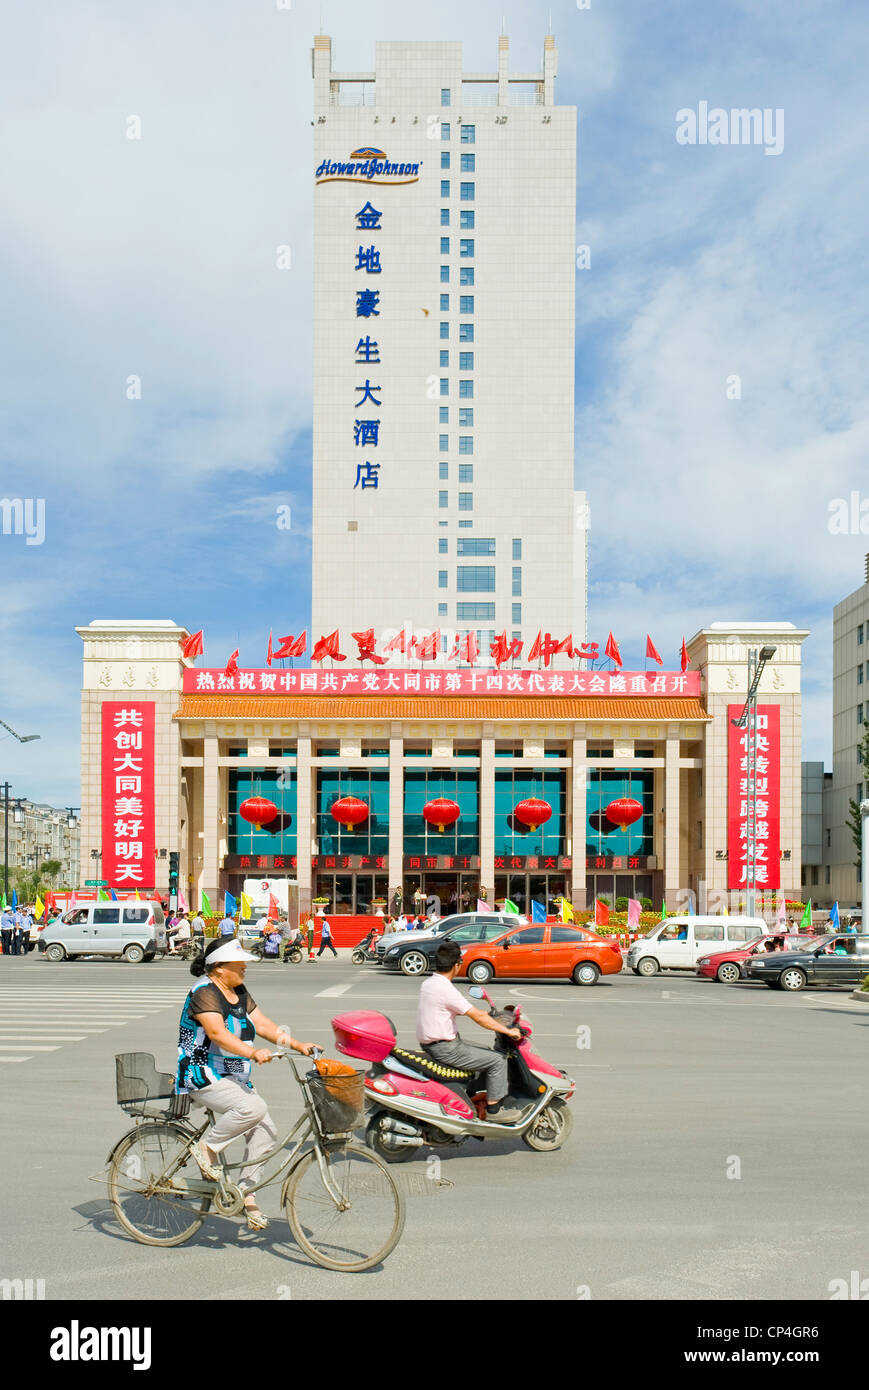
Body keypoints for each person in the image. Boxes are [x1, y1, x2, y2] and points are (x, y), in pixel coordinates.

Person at [176, 937, 318, 1230]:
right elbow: (215, 1032)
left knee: (266, 1132)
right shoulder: (204, 991)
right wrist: (252, 1052)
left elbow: (263, 1025)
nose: (244, 968)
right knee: (254, 1107)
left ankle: (245, 1195)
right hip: (200, 1071)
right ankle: (207, 1149)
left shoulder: (237, 990)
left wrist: (297, 1044)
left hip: (232, 1073)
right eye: (238, 964)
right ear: (218, 968)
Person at [416, 940, 527, 1124]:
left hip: (436, 1044)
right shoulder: (445, 988)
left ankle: (469, 1098)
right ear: (457, 965)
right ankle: (493, 1110)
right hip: (446, 1048)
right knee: (497, 1060)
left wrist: (487, 1015)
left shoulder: (429, 983)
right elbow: (478, 1017)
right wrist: (508, 1031)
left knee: (484, 1050)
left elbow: (466, 1011)